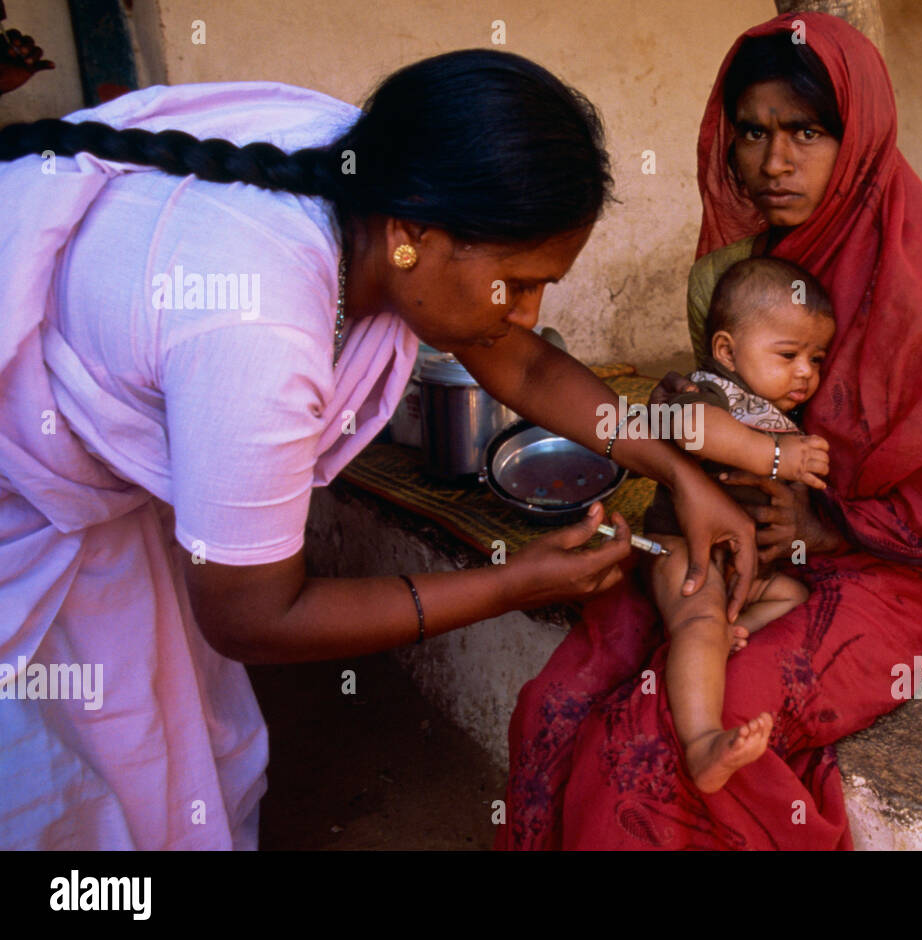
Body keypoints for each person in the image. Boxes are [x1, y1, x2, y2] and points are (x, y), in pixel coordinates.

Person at [0, 50, 757, 849]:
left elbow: (522, 360)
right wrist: (511, 583)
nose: (530, 313)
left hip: (89, 466)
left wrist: (672, 466)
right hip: (22, 489)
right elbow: (254, 615)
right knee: (56, 784)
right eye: (519, 282)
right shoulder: (253, 329)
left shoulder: (376, 172)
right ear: (409, 237)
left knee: (150, 740)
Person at [498, 13, 922, 850]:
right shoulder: (754, 266)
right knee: (564, 698)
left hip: (879, 575)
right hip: (740, 546)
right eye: (751, 132)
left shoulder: (919, 294)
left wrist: (825, 524)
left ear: (858, 136)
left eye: (807, 132)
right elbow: (717, 411)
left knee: (655, 740)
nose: (771, 162)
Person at [641, 256, 835, 793]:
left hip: (743, 566)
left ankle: (725, 632)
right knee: (700, 616)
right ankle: (703, 740)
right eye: (789, 354)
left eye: (816, 358)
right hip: (684, 548)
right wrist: (777, 458)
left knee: (792, 597)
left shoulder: (779, 410)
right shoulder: (712, 390)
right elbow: (692, 430)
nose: (806, 372)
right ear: (727, 350)